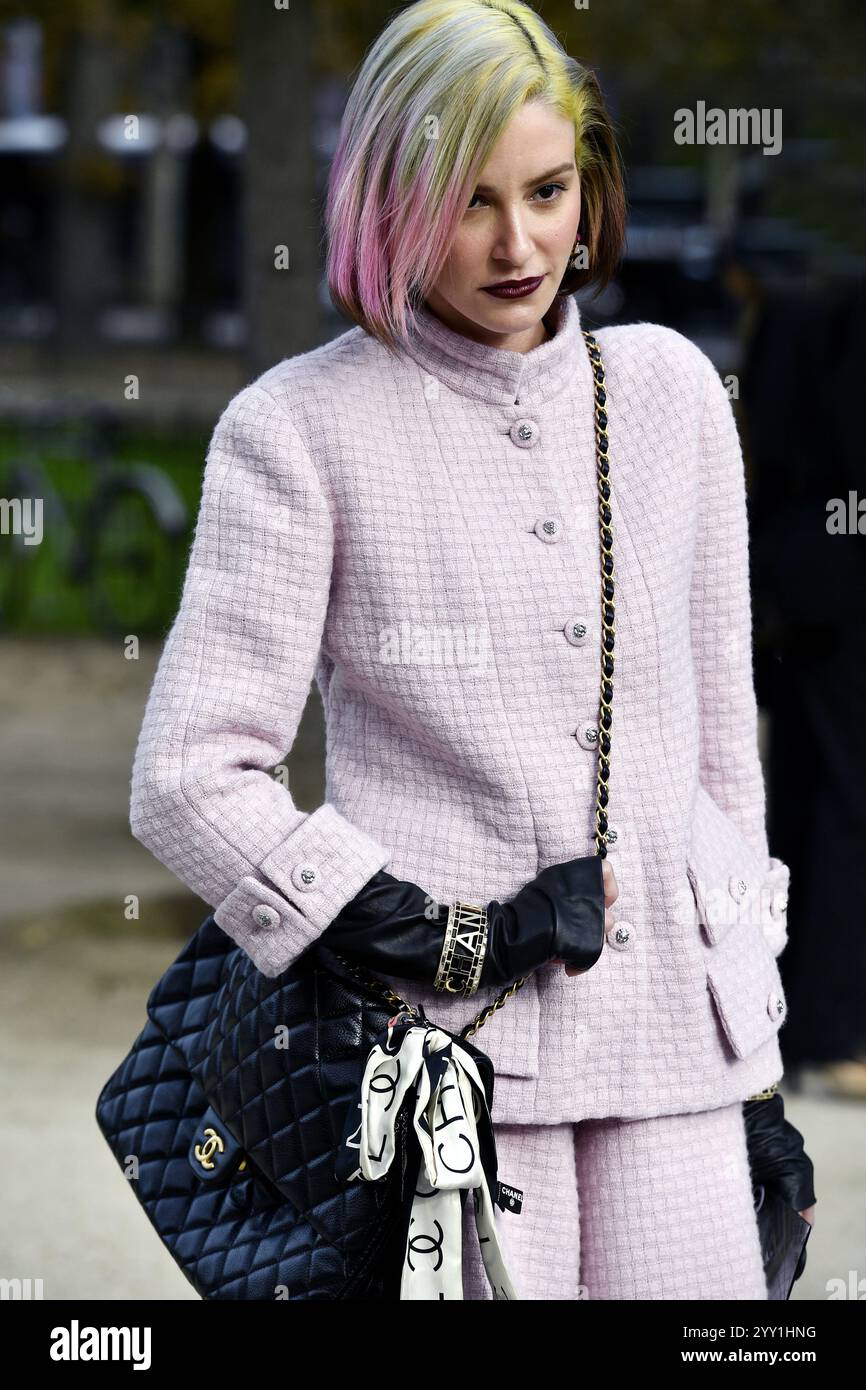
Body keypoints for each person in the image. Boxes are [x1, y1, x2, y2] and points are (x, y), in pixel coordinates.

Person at [128, 0, 813, 1299]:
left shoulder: (671, 393)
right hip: (445, 1077)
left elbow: (725, 753)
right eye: (469, 201)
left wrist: (752, 1048)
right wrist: (441, 934)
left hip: (681, 1054)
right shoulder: (297, 431)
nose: (521, 243)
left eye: (548, 189)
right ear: (387, 197)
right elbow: (187, 776)